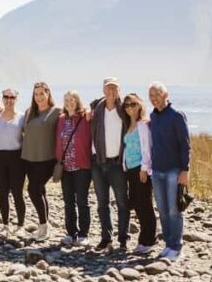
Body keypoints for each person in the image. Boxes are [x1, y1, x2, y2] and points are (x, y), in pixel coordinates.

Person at [148, 82, 190, 261]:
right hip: (157, 171)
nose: (154, 98)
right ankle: (168, 244)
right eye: (151, 96)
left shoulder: (177, 115)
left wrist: (185, 170)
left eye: (157, 94)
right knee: (163, 210)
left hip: (174, 170)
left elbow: (185, 145)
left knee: (174, 209)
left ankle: (176, 246)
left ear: (166, 95)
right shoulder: (152, 116)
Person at [90, 77, 131, 251]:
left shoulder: (125, 110)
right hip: (98, 162)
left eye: (114, 88)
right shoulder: (96, 108)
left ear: (119, 90)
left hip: (117, 164)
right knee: (102, 204)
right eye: (108, 88)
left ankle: (123, 238)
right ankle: (106, 238)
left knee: (122, 203)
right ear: (103, 90)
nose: (111, 92)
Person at [21, 81, 60, 241]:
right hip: (29, 158)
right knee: (40, 190)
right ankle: (45, 225)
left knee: (33, 190)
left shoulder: (57, 112)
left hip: (46, 159)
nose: (39, 97)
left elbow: (74, 116)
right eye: (36, 94)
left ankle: (43, 227)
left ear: (48, 93)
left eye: (42, 93)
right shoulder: (29, 112)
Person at [55, 90, 92, 246]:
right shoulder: (61, 119)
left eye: (72, 100)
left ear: (77, 101)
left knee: (82, 201)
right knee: (68, 202)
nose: (69, 102)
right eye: (66, 100)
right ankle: (71, 233)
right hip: (65, 168)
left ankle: (84, 234)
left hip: (82, 167)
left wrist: (91, 111)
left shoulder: (85, 118)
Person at [122, 93, 156, 254]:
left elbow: (147, 147)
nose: (130, 108)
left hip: (141, 169)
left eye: (133, 104)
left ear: (140, 105)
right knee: (136, 204)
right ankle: (143, 240)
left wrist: (145, 168)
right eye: (127, 105)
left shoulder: (143, 124)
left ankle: (148, 241)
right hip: (130, 170)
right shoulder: (129, 124)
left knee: (145, 205)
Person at [0, 88, 26, 235]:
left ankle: (20, 226)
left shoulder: (22, 117)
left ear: (16, 99)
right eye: (6, 97)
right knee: (2, 192)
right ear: (3, 98)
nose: (9, 100)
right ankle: (5, 225)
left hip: (16, 158)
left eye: (12, 97)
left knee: (17, 192)